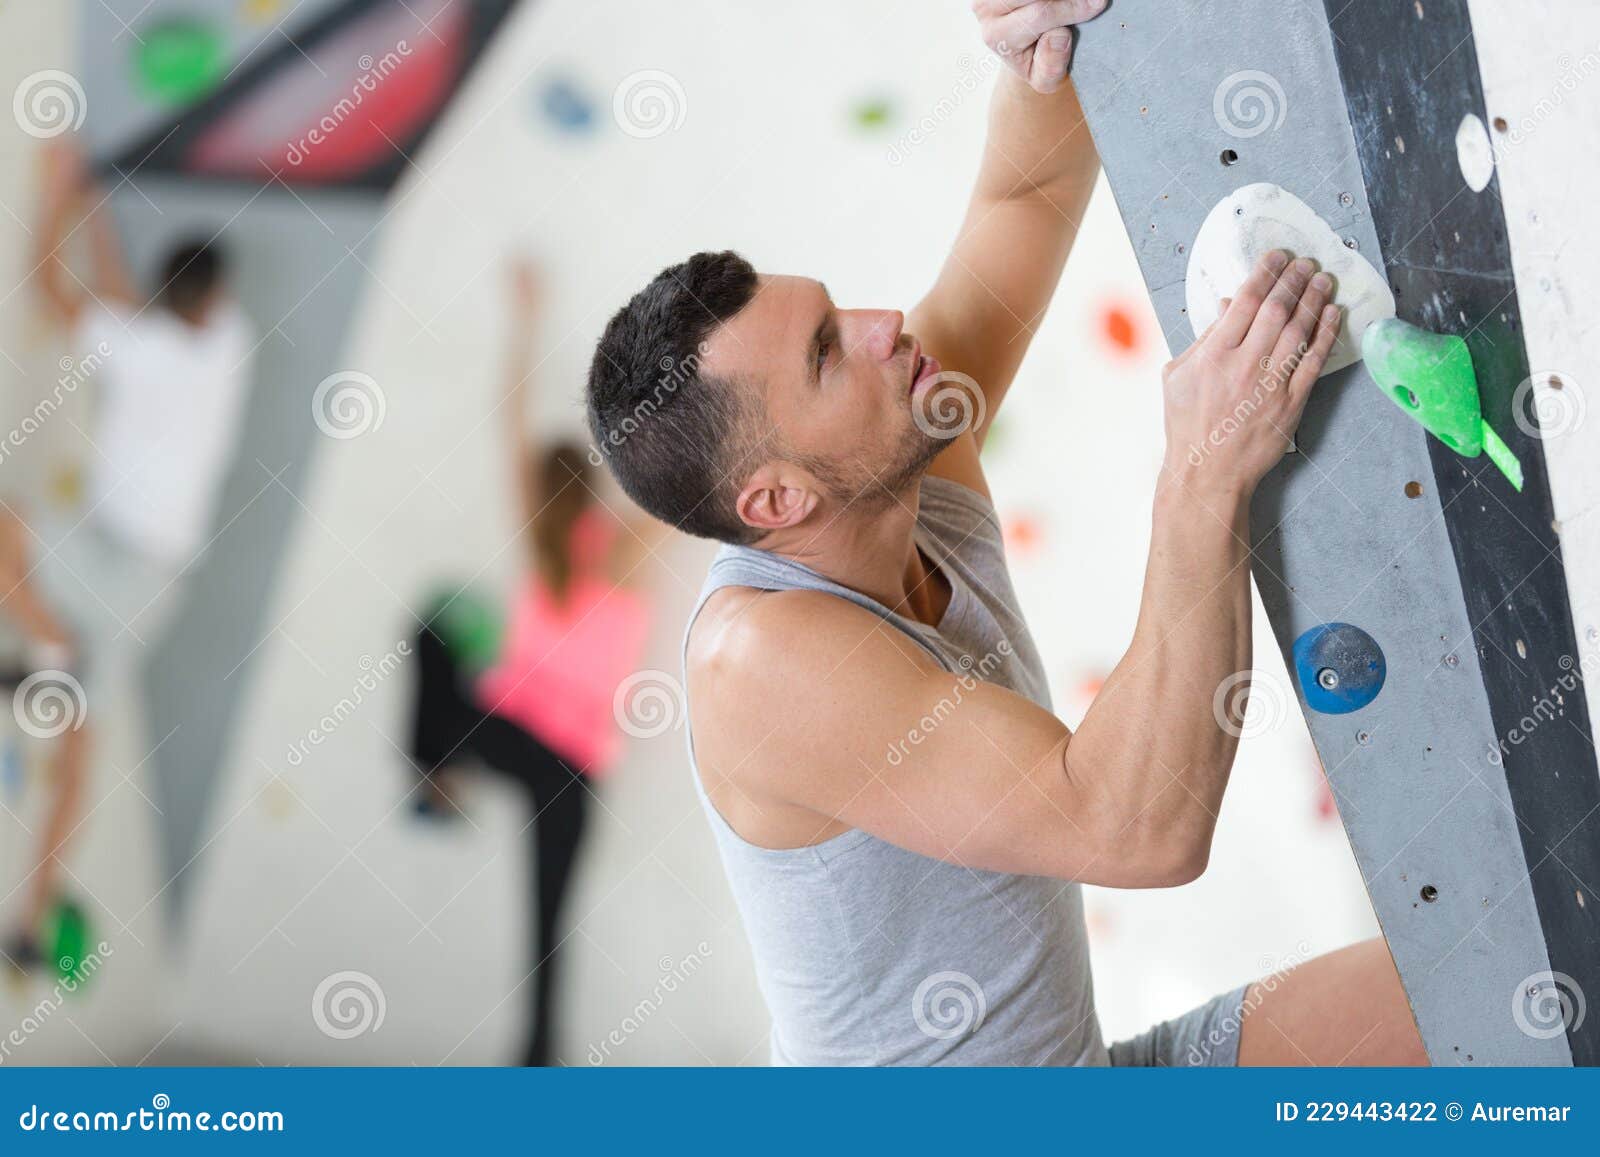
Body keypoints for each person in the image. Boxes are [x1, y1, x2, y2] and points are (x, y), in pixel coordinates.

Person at [582, 2, 1429, 1066]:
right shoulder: (757, 660)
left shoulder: (902, 444)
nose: (882, 325)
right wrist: (1201, 473)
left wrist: (1039, 47)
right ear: (776, 501)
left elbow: (1021, 192)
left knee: (1489, 988)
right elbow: (1135, 826)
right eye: (824, 355)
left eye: (836, 310)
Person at [1, 141, 255, 975]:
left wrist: (57, 199)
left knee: (6, 521)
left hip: (108, 558)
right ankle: (31, 922)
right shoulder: (230, 345)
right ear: (214, 297)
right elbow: (127, 306)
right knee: (81, 757)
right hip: (154, 586)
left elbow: (54, 286)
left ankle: (47, 640)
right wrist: (96, 207)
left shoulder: (137, 343)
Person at [408, 259, 661, 1067]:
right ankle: (538, 1064)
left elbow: (506, 422)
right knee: (548, 927)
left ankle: (434, 773)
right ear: (587, 493)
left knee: (432, 637)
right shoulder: (615, 552)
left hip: (516, 736)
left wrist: (526, 317)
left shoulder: (566, 549)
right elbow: (676, 498)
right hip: (568, 768)